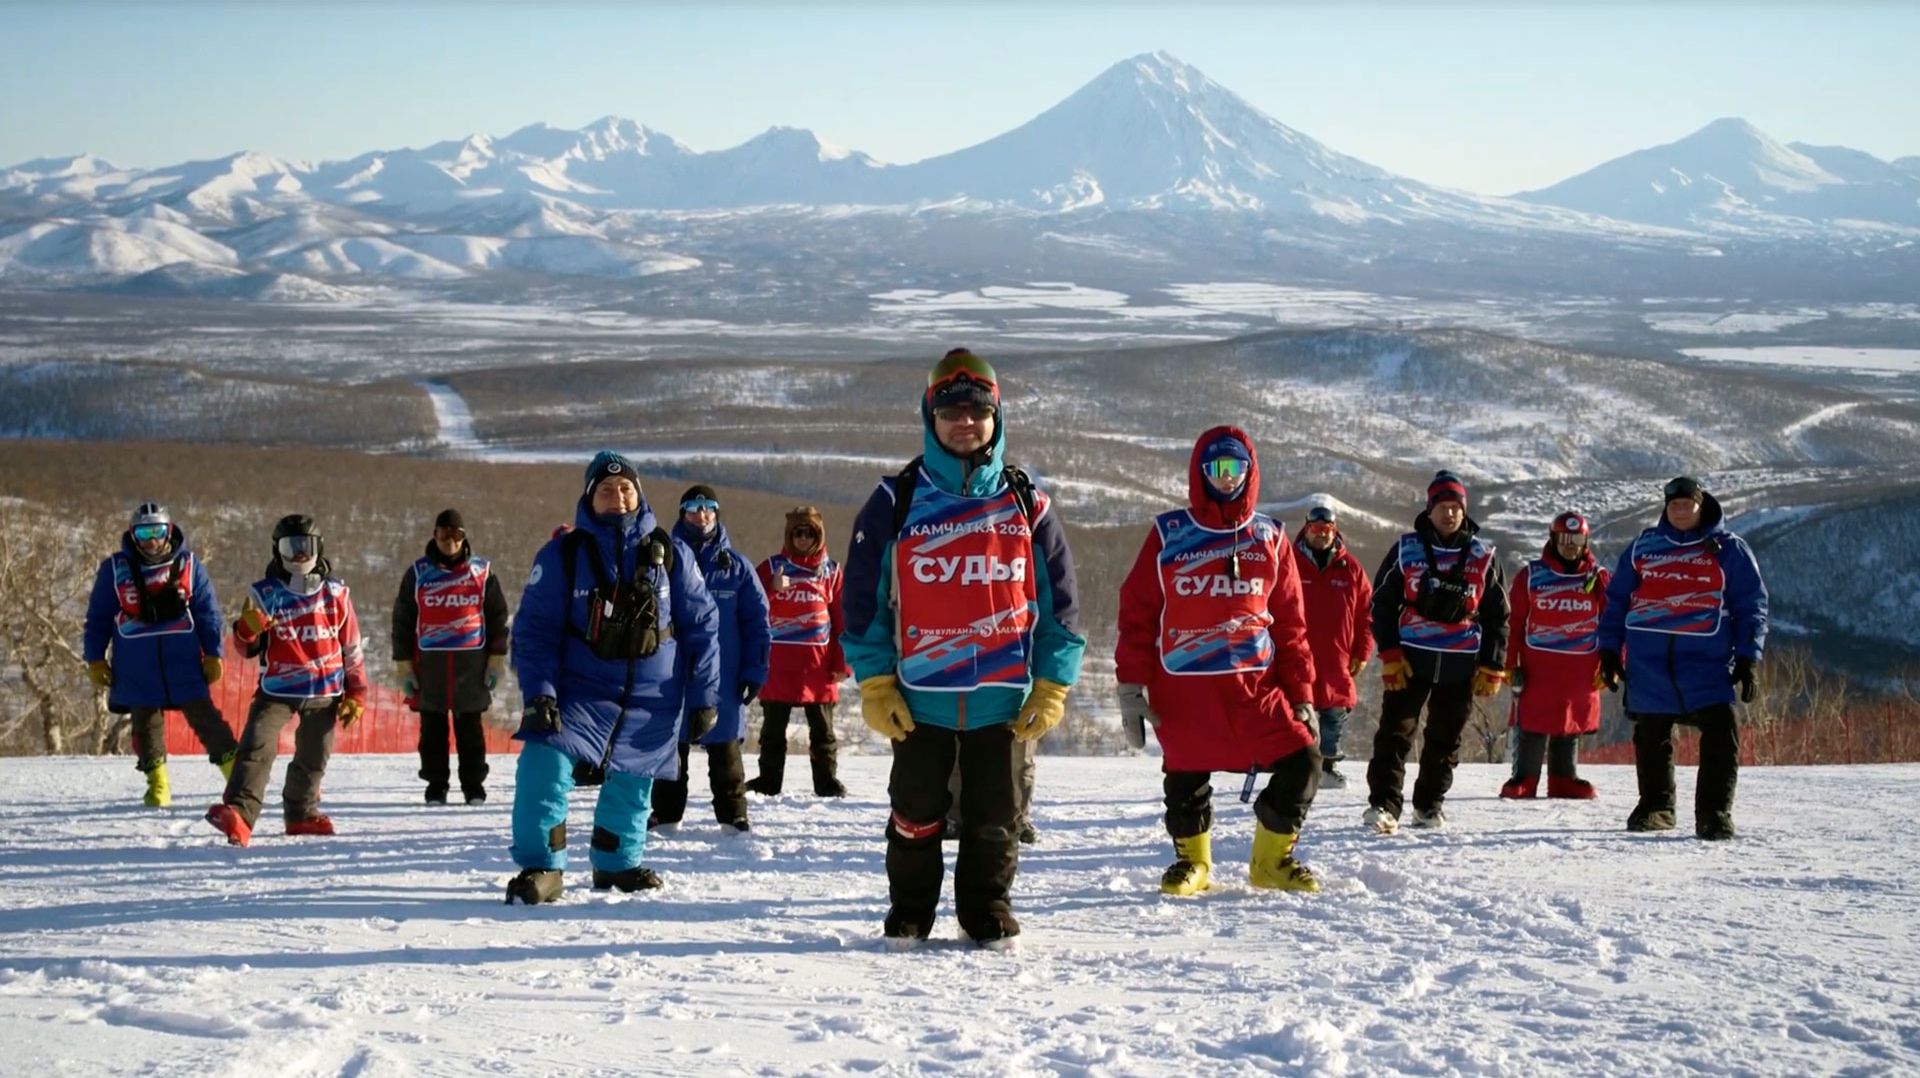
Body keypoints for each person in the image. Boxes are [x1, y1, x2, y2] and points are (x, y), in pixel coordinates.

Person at [844, 347, 1085, 950]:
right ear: (930, 417)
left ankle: (986, 910)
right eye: (950, 411)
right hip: (919, 697)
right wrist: (874, 682)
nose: (964, 422)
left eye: (977, 411)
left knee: (994, 820)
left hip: (1000, 700)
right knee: (915, 813)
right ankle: (910, 911)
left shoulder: (1027, 504)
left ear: (996, 417)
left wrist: (1053, 683)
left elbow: (1061, 606)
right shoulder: (896, 498)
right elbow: (863, 603)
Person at [503, 451, 721, 904]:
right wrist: (540, 693)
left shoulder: (672, 554)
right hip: (579, 694)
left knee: (633, 783)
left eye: (626, 489)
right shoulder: (564, 555)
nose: (618, 498)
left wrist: (705, 697)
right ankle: (542, 866)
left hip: (652, 698)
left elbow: (702, 626)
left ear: (638, 493)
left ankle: (616, 864)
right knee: (544, 767)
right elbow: (534, 630)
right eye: (606, 490)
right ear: (589, 498)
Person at [1116, 427, 1323, 895]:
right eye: (1216, 469)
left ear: (1250, 473)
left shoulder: (1270, 537)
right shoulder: (1169, 535)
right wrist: (1130, 687)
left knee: (1305, 760)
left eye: (1236, 469)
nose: (1226, 479)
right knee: (1186, 774)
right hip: (1185, 688)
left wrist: (1303, 695)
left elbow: (1291, 625)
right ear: (1199, 473)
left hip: (1255, 692)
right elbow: (1137, 614)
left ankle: (1271, 860)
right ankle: (1194, 862)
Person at [1598, 476, 1767, 840]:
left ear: (1700, 505)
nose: (1680, 511)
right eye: (1673, 505)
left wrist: (1749, 657)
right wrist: (1609, 650)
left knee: (1723, 730)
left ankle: (1714, 814)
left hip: (1704, 663)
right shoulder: (1644, 547)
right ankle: (1656, 807)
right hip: (1649, 664)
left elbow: (1751, 605)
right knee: (1650, 733)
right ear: (1665, 507)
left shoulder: (1728, 549)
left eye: (1686, 505)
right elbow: (1616, 601)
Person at [205, 514, 367, 846]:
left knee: (314, 754)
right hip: (277, 688)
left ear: (318, 548)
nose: (298, 555)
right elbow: (245, 648)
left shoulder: (335, 595)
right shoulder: (265, 593)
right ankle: (239, 813)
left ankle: (301, 814)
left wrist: (357, 693)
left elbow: (351, 647)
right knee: (257, 745)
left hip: (325, 688)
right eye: (290, 547)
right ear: (277, 551)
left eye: (304, 546)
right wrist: (246, 629)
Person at [1363, 471, 1510, 834]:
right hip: (1410, 660)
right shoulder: (1406, 549)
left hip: (1461, 663)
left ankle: (1429, 805)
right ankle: (1384, 804)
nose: (1449, 514)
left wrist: (1493, 665)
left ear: (1464, 512)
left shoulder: (1483, 556)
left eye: (1456, 508)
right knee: (1395, 734)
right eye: (1442, 507)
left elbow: (1498, 615)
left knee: (1445, 740)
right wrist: (1390, 653)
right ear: (1429, 510)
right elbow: (1381, 603)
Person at [83, 502, 237, 807]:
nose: (151, 540)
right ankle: (158, 784)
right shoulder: (116, 570)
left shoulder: (189, 566)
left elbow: (208, 614)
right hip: (136, 663)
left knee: (207, 720)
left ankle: (238, 780)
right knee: (145, 724)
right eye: (144, 532)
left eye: (158, 531)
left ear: (169, 532)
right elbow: (98, 619)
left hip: (183, 661)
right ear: (133, 534)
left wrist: (213, 653)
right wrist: (95, 658)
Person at [651, 485, 769, 832]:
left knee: (725, 748)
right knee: (673, 747)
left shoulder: (737, 567)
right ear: (682, 513)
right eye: (693, 508)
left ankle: (733, 815)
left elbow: (758, 623)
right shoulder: (665, 561)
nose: (701, 515)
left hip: (725, 675)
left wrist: (755, 669)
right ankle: (666, 814)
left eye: (708, 508)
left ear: (716, 514)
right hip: (673, 672)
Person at [392, 508, 510, 806]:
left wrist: (497, 659)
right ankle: (436, 786)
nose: (450, 541)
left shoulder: (481, 572)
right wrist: (403, 665)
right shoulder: (418, 573)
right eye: (444, 534)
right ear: (435, 535)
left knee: (470, 729)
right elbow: (403, 620)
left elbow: (497, 616)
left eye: (456, 534)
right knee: (432, 731)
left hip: (471, 667)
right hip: (429, 667)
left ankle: (473, 787)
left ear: (464, 537)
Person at [1501, 511, 1609, 800]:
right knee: (1534, 722)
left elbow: (1613, 622)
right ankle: (1525, 776)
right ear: (1553, 539)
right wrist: (1509, 663)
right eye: (1564, 538)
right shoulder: (1531, 576)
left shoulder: (1597, 578)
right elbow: (1513, 625)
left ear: (1585, 541)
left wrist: (1613, 662)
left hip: (1581, 669)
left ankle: (1564, 777)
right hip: (1539, 670)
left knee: (1569, 722)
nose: (1570, 545)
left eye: (1577, 539)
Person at [748, 506, 851, 798]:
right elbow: (750, 606)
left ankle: (827, 783)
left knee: (823, 731)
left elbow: (843, 618)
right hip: (779, 664)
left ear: (819, 535)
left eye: (809, 533)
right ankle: (768, 781)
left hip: (818, 666)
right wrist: (771, 587)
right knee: (772, 731)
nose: (803, 539)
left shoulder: (832, 572)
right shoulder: (772, 567)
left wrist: (843, 662)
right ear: (789, 535)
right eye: (797, 533)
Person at [1291, 503, 1374, 789]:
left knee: (1333, 717)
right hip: (1299, 657)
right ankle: (1300, 769)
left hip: (1337, 660)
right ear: (1307, 529)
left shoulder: (1351, 569)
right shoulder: (1290, 563)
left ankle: (1327, 768)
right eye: (1316, 529)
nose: (1322, 535)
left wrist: (1362, 653)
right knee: (1300, 715)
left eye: (1327, 530)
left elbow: (1366, 615)